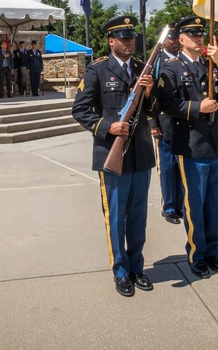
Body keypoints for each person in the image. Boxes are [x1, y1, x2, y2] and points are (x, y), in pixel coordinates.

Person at [72, 15, 155, 297]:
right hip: (112, 154)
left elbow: (154, 110)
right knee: (116, 216)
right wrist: (108, 127)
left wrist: (150, 92)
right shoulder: (97, 71)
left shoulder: (143, 69)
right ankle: (120, 271)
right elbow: (80, 110)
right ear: (111, 41)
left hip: (140, 154)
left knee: (138, 216)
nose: (129, 42)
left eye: (132, 37)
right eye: (123, 38)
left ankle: (136, 268)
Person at [153, 16, 218, 280]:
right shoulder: (171, 69)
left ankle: (213, 252)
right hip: (192, 144)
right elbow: (167, 105)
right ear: (181, 39)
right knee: (195, 205)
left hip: (216, 143)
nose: (199, 39)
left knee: (214, 204)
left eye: (201, 34)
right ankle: (197, 255)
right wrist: (199, 107)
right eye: (193, 35)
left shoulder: (213, 65)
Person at [150, 25, 184, 224]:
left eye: (178, 38)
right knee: (168, 167)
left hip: (183, 122)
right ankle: (169, 207)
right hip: (164, 123)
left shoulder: (183, 60)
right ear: (163, 41)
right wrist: (153, 122)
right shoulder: (156, 61)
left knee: (182, 167)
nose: (176, 41)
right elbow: (151, 95)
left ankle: (180, 205)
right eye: (172, 38)